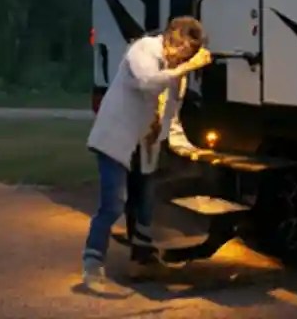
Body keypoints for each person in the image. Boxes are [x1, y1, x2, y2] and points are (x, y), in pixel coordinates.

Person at [81, 17, 212, 292]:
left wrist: (185, 147)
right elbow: (148, 83)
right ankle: (92, 264)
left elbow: (170, 113)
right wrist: (188, 66)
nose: (183, 57)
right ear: (172, 37)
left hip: (145, 144)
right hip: (116, 139)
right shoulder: (143, 50)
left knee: (146, 201)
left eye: (190, 54)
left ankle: (142, 259)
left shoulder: (178, 72)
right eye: (183, 50)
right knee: (113, 204)